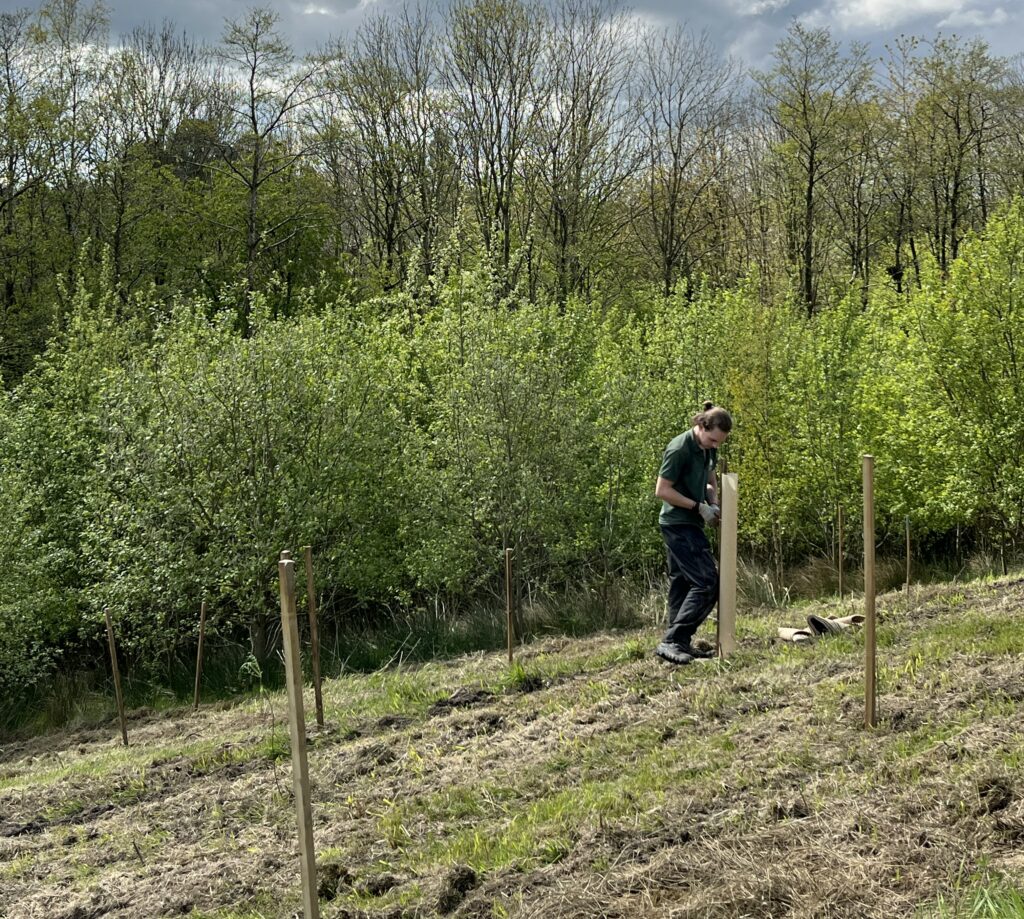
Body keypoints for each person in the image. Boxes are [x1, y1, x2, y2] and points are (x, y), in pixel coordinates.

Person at [653, 401, 733, 665]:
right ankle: (674, 640)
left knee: (683, 583)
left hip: (692, 521)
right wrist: (697, 507)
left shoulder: (707, 449)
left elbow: (710, 479)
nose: (715, 445)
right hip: (677, 523)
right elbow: (662, 491)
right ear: (700, 426)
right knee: (707, 582)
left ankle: (677, 644)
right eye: (712, 439)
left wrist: (714, 502)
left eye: (719, 442)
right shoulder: (679, 449)